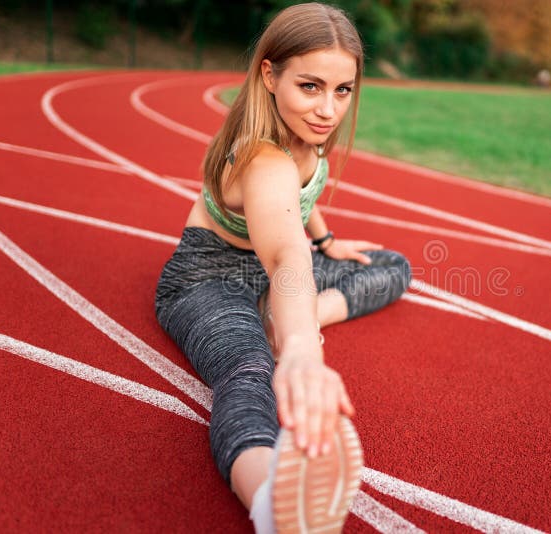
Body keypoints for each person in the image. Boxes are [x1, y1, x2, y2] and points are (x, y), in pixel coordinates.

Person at [154, 3, 412, 532]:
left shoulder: (307, 136)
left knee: (391, 265)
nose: (328, 109)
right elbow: (284, 255)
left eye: (343, 90)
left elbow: (303, 203)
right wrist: (298, 351)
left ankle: (290, 314)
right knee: (250, 372)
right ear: (269, 75)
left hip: (276, 278)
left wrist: (329, 241)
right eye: (311, 86)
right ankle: (269, 496)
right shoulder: (263, 159)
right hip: (209, 280)